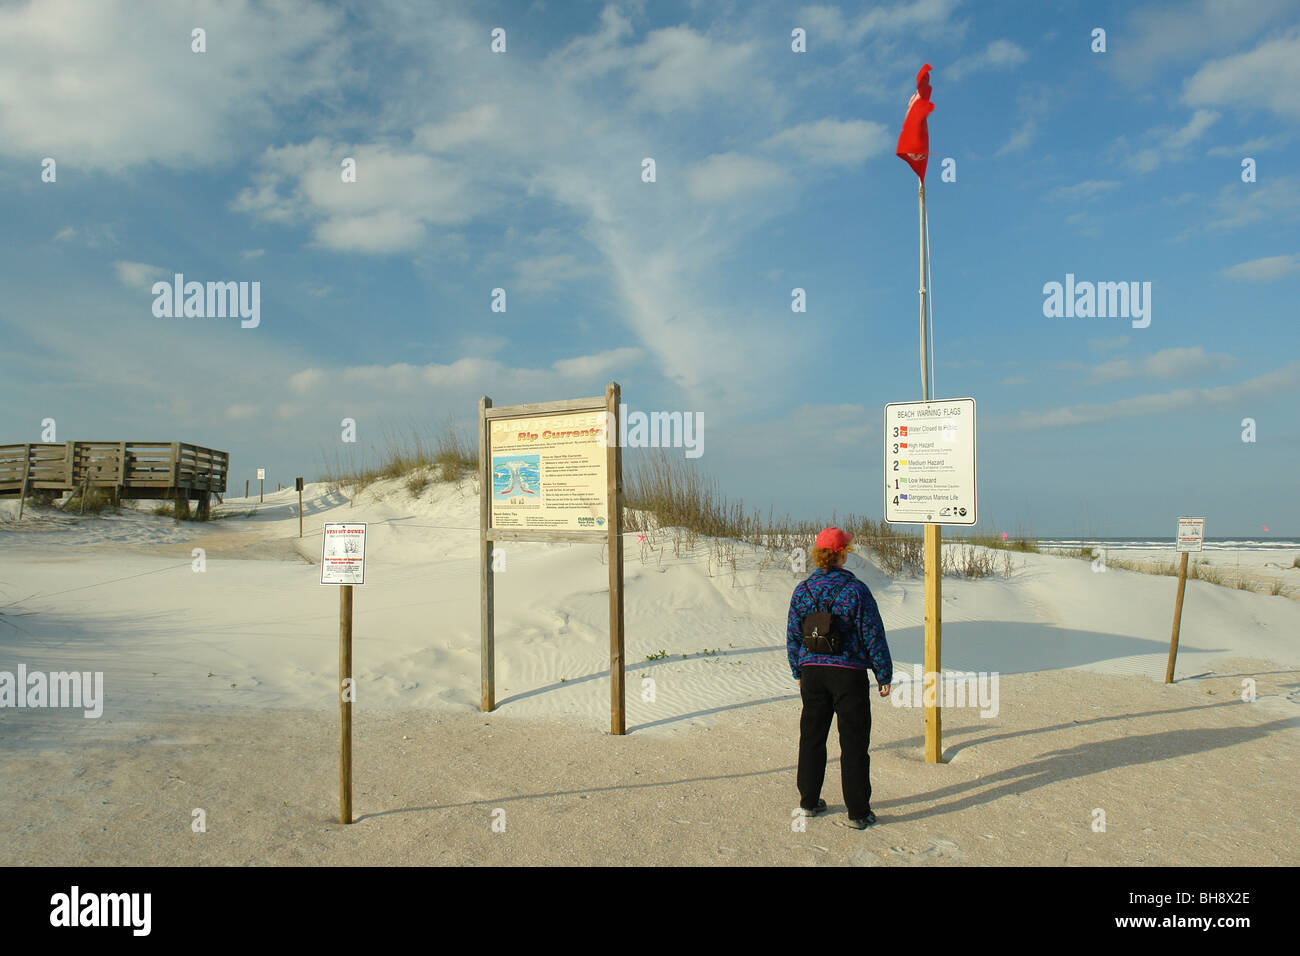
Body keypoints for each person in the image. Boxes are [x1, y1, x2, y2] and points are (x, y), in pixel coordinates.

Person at [787, 526, 892, 828]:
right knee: (854, 743)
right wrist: (883, 672)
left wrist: (798, 669)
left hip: (813, 673)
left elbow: (794, 635)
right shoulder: (856, 590)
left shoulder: (802, 590)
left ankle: (808, 802)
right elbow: (872, 634)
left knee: (812, 737)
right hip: (848, 674)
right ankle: (858, 812)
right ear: (842, 553)